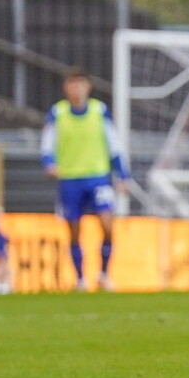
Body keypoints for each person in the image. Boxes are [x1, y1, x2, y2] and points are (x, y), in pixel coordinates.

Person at [40, 69, 128, 292]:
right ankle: (80, 279)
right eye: (72, 85)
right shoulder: (58, 113)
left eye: (81, 85)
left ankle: (104, 274)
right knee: (74, 230)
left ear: (88, 87)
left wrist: (122, 175)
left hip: (97, 177)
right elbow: (47, 143)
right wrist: (49, 163)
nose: (77, 89)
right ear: (66, 88)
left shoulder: (99, 111)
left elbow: (114, 144)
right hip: (70, 178)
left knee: (108, 224)